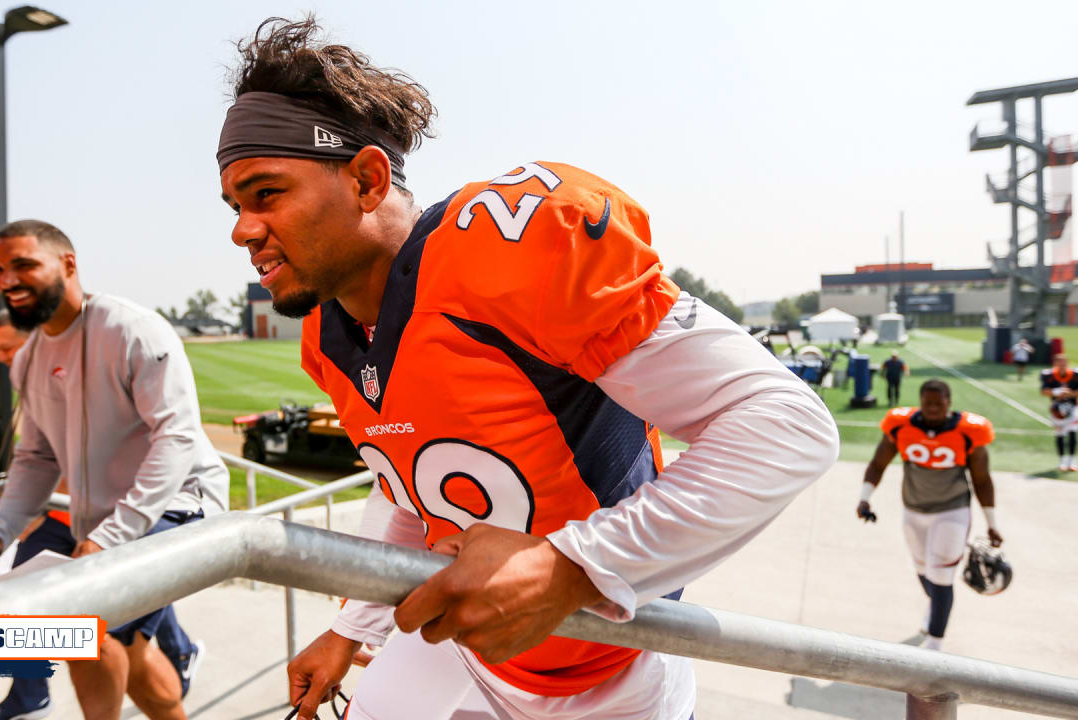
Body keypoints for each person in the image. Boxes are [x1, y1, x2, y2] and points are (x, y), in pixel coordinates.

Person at [215, 18, 838, 720]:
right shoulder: (328, 337)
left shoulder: (509, 246)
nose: (243, 228)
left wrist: (573, 566)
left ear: (366, 178)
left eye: (266, 193)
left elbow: (787, 426)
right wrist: (350, 628)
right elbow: (408, 480)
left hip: (610, 667)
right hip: (462, 646)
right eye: (235, 205)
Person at [0, 219, 229, 720]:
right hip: (108, 525)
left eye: (23, 265)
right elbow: (37, 458)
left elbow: (175, 438)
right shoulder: (29, 361)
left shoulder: (133, 328)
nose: (7, 280)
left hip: (182, 504)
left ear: (68, 264)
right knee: (127, 651)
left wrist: (113, 535)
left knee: (86, 626)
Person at [857, 379, 1002, 651]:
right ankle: (935, 609)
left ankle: (935, 644)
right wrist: (865, 498)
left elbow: (982, 480)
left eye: (939, 403)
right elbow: (878, 464)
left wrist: (992, 524)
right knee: (924, 570)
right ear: (920, 402)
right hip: (913, 509)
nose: (933, 408)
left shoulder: (968, 431)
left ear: (950, 401)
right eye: (928, 403)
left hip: (951, 510)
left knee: (942, 575)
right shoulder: (901, 425)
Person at [1039, 353, 1078, 472]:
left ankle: (1071, 462)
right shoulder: (1049, 375)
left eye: (1064, 362)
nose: (1062, 365)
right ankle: (1062, 462)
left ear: (1067, 363)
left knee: (1072, 433)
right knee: (1060, 435)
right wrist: (1056, 392)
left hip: (1072, 408)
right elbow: (1043, 391)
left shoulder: (1075, 375)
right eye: (1059, 362)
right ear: (1055, 363)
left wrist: (1069, 393)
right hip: (1057, 410)